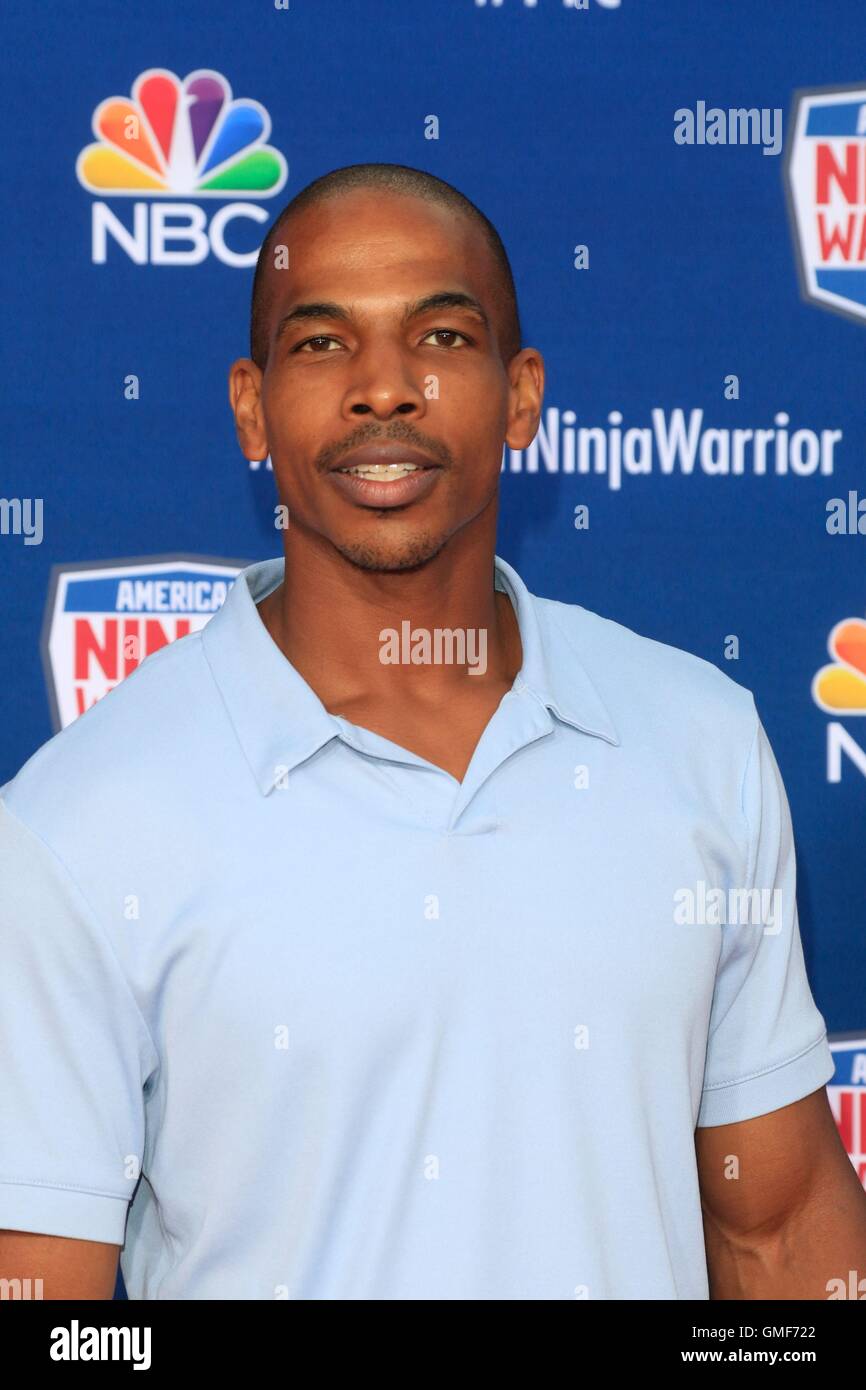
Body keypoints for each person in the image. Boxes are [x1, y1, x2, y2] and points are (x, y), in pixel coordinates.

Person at [1, 164, 864, 1300]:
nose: (383, 390)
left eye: (442, 336)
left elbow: (779, 1223)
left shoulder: (695, 741)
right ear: (251, 408)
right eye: (320, 346)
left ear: (520, 394)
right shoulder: (79, 825)